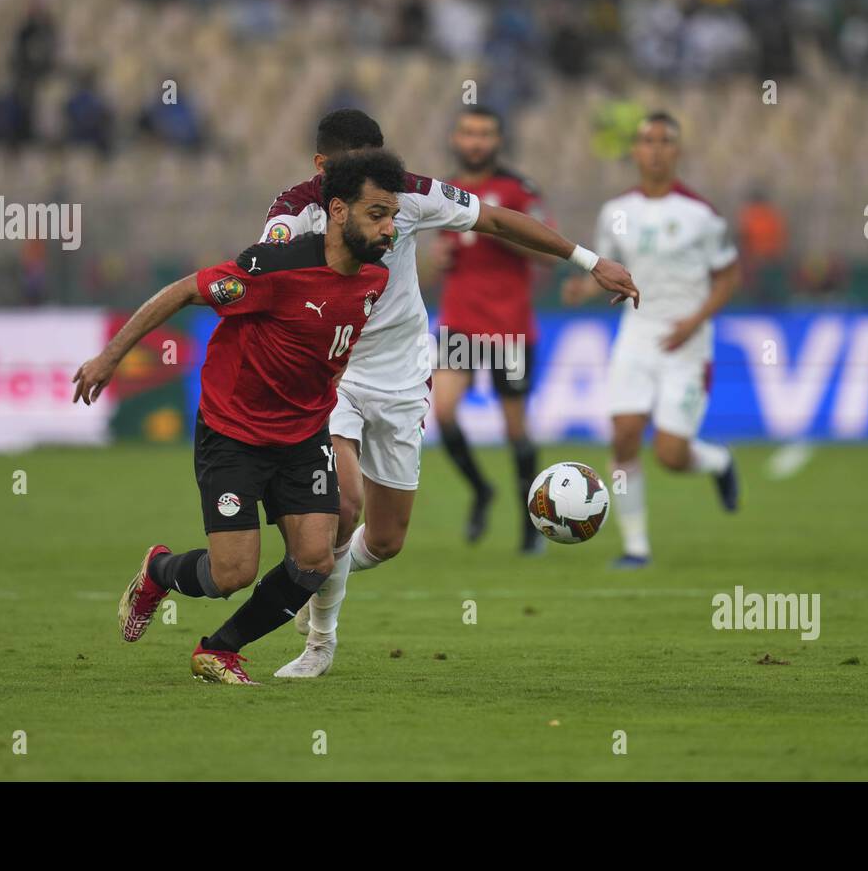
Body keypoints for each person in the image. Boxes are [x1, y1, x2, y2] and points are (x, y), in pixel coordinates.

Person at [264, 108, 639, 678]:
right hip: (331, 374)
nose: (373, 184)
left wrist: (589, 261)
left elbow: (495, 221)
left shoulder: (408, 194)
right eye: (353, 169)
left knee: (386, 540)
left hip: (402, 376)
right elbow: (262, 275)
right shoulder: (293, 212)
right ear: (323, 167)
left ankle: (320, 573)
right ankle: (320, 642)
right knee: (343, 504)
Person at [71, 150, 403, 684]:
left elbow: (326, 343)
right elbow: (184, 291)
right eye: (377, 214)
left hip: (302, 435)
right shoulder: (274, 267)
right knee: (232, 575)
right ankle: (158, 571)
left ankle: (220, 648)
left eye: (393, 216)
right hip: (235, 433)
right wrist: (110, 357)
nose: (389, 229)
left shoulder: (375, 279)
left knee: (315, 561)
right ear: (337, 210)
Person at [564, 112, 740, 570]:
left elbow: (728, 275)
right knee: (623, 437)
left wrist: (694, 320)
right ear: (636, 151)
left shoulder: (700, 215)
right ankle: (635, 547)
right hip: (636, 337)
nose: (656, 149)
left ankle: (718, 462)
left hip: (687, 343)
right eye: (647, 140)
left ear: (677, 152)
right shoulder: (615, 212)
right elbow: (610, 269)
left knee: (670, 455)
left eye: (665, 141)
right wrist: (583, 289)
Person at [432, 105, 549, 553]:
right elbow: (431, 260)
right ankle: (482, 490)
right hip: (461, 323)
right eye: (469, 133)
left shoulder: (517, 190)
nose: (476, 142)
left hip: (509, 328)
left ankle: (530, 526)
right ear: (456, 139)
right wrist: (436, 260)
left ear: (497, 141)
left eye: (485, 133)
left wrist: (500, 230)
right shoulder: (443, 192)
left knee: (516, 430)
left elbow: (546, 252)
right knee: (443, 413)